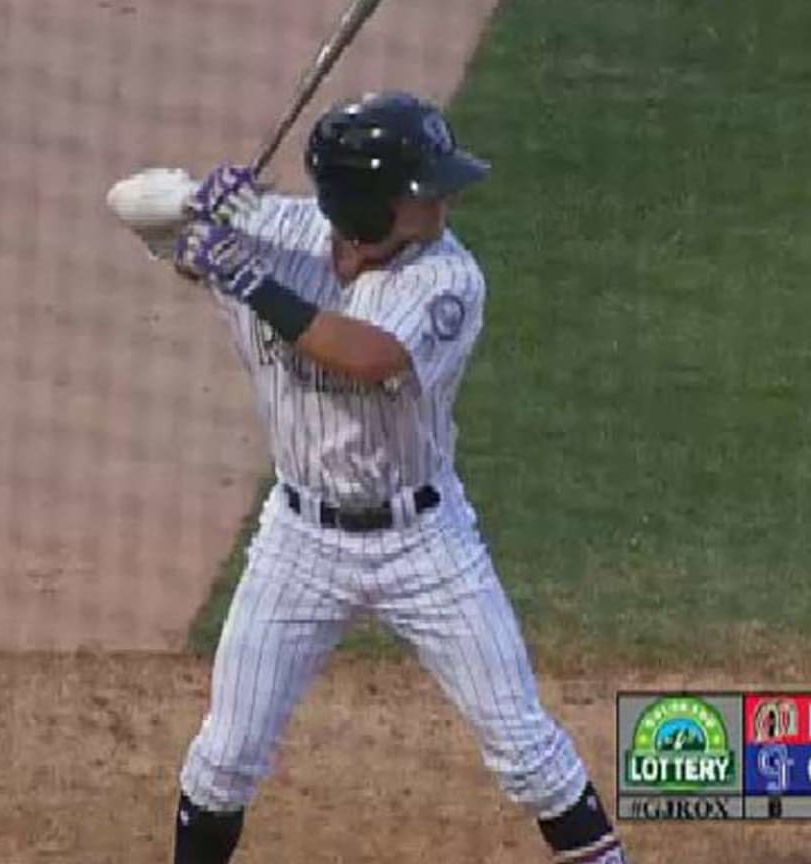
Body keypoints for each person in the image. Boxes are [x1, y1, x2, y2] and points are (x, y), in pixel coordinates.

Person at [167, 90, 630, 864]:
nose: (445, 197)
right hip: (298, 545)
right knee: (226, 755)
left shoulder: (449, 279)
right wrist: (191, 209)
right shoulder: (279, 234)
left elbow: (368, 354)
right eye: (425, 187)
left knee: (525, 747)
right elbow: (141, 210)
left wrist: (245, 280)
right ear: (368, 204)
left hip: (424, 542)